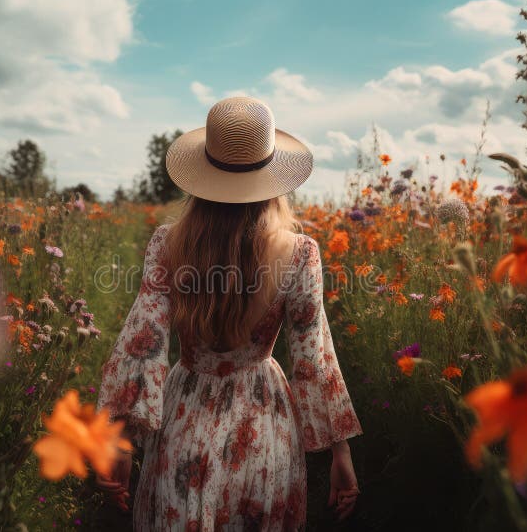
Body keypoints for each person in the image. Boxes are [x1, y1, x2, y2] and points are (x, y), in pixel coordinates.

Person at [96, 96, 363, 531]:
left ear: (203, 173)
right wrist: (341, 453)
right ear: (272, 177)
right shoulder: (300, 253)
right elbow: (314, 359)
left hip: (184, 416)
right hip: (264, 425)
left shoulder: (168, 244)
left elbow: (142, 346)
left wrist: (122, 442)